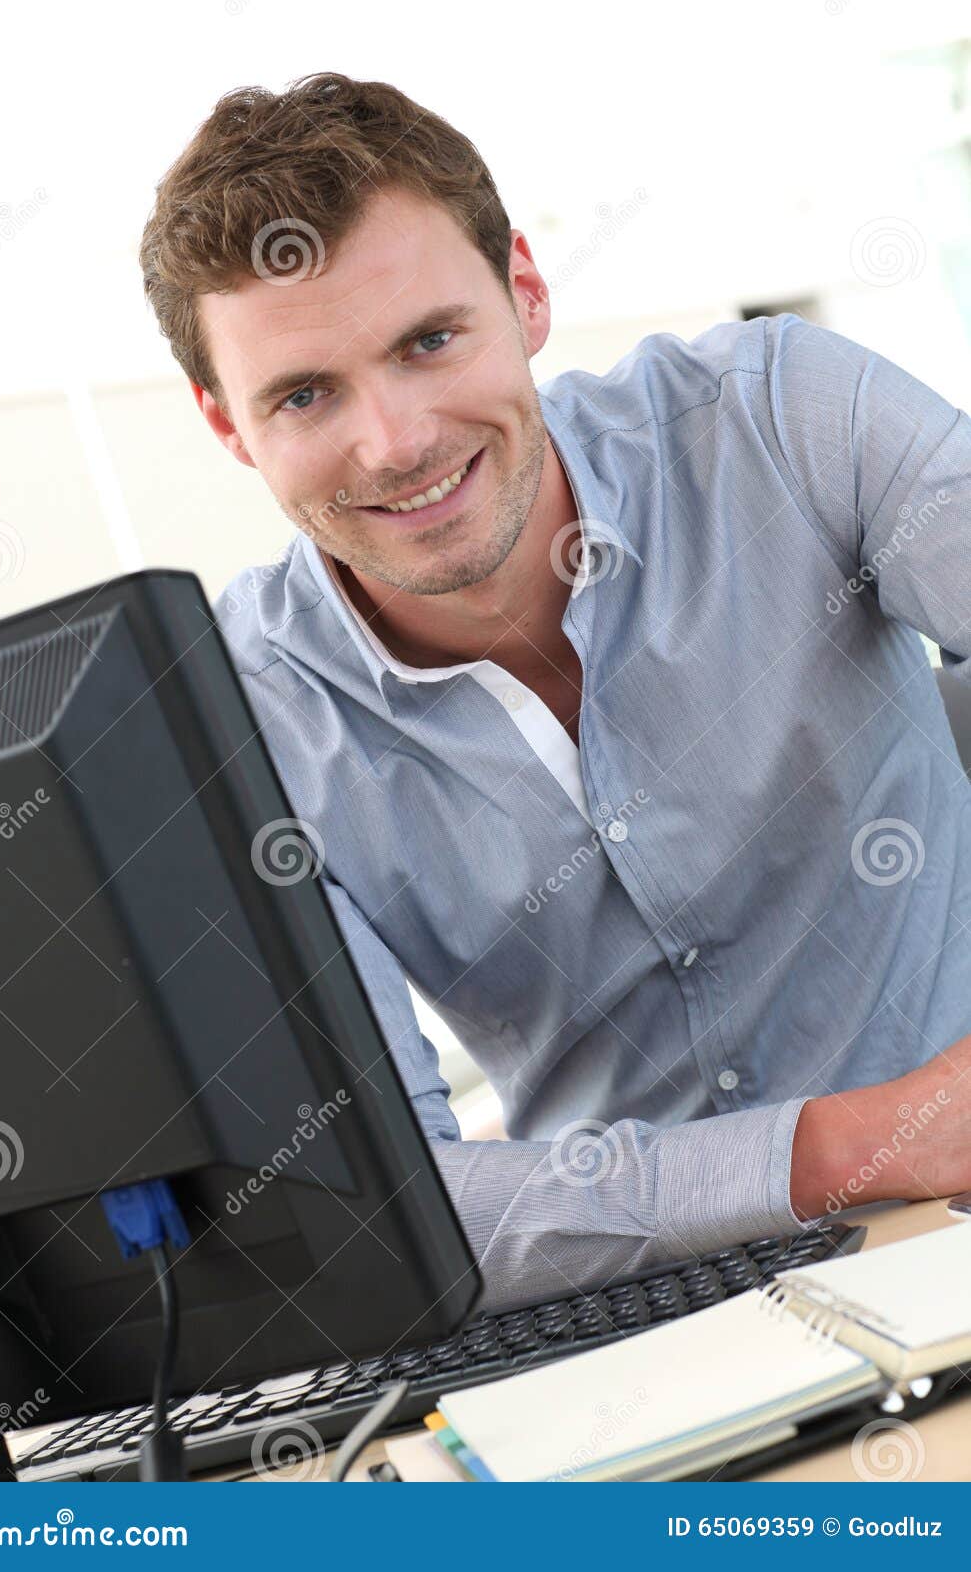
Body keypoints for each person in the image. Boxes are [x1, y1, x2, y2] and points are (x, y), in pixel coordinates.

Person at [140, 72, 971, 1309]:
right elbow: (394, 1213)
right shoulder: (235, 725)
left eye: (428, 341)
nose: (397, 441)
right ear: (226, 424)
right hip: (629, 1329)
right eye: (305, 394)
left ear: (523, 292)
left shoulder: (786, 419)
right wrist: (854, 1143)